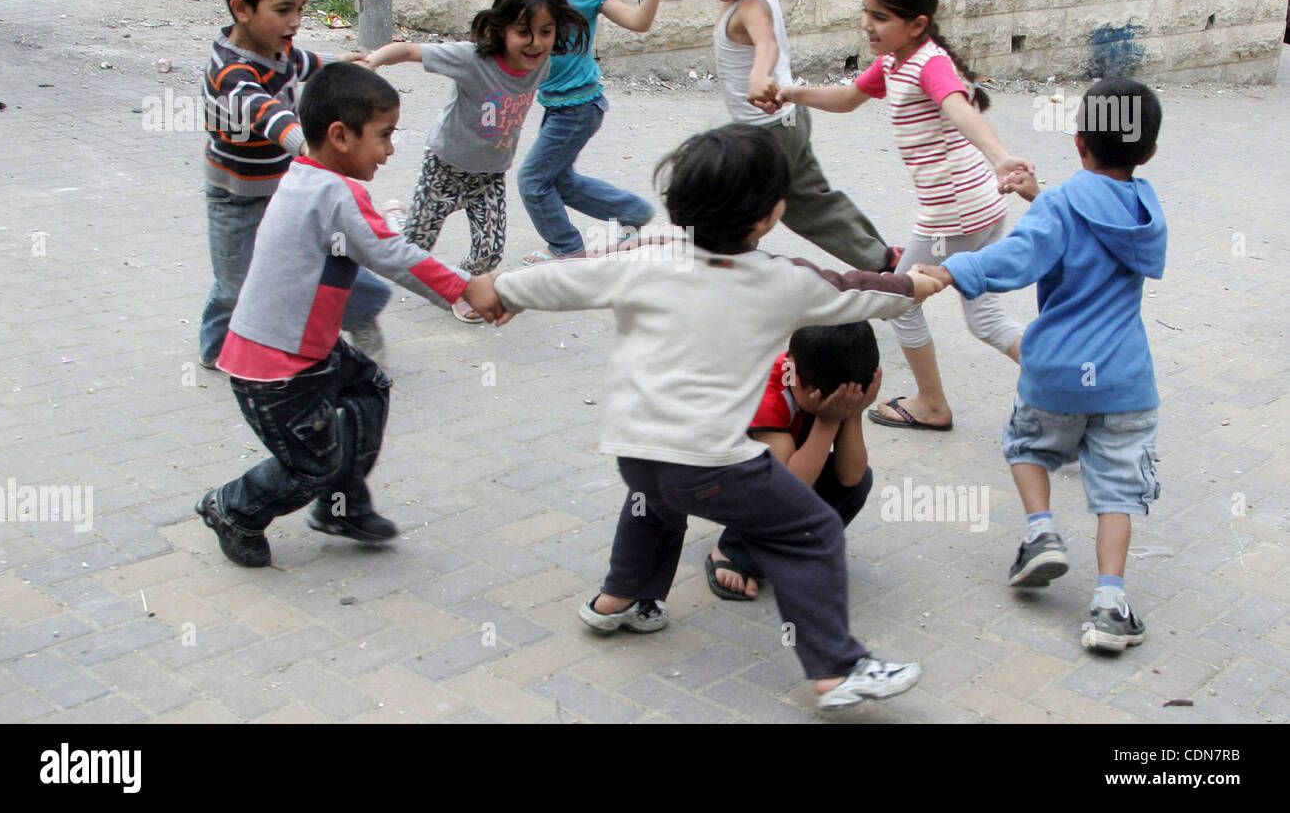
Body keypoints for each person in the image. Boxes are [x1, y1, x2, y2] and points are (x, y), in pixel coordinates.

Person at [469, 123, 945, 712]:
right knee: (810, 530)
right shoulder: (783, 279)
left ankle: (618, 600)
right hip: (716, 462)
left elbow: (568, 274)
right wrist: (914, 285)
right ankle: (836, 669)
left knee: (656, 509)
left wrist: (501, 289)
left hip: (637, 454)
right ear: (771, 215)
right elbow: (855, 290)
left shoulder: (646, 257)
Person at [194, 63, 502, 568]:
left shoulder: (306, 175)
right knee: (309, 466)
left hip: (304, 348)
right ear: (339, 136)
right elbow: (391, 255)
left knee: (368, 387)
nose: (390, 149)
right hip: (274, 367)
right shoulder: (337, 194)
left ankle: (343, 507)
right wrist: (465, 288)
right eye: (383, 136)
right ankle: (234, 506)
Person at [916, 78, 1166, 652]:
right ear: (1148, 152)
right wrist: (1040, 199)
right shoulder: (1146, 213)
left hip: (1055, 373)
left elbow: (1022, 254)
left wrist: (954, 270)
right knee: (1118, 493)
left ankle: (1042, 533)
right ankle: (1109, 604)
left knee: (1026, 448)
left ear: (1078, 142)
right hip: (1126, 383)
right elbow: (1092, 229)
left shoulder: (1060, 205)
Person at [767, 0, 1033, 431]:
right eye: (866, 12)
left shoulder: (929, 64)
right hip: (980, 208)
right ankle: (1066, 382)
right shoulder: (896, 62)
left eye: (881, 17)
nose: (868, 25)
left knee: (899, 302)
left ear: (917, 24)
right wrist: (791, 93)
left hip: (953, 214)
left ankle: (932, 404)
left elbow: (958, 107)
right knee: (985, 318)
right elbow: (848, 98)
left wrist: (1001, 155)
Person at [662, 0, 896, 274]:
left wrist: (758, 76)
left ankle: (723, 275)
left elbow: (766, 43)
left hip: (769, 132)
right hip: (786, 120)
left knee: (757, 208)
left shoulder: (751, 7)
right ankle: (883, 262)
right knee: (809, 200)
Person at [199, 0, 391, 367]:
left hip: (285, 188)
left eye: (301, 9)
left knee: (327, 258)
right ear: (241, 9)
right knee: (237, 285)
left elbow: (298, 62)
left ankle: (361, 310)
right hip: (236, 200)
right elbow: (265, 113)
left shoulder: (277, 47)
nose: (295, 22)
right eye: (284, 10)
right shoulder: (230, 72)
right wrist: (307, 146)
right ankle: (217, 348)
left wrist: (335, 63)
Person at [362, 0, 589, 321]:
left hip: (490, 176)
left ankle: (463, 288)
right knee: (410, 252)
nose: (535, 42)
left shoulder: (541, 66)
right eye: (523, 32)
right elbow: (409, 50)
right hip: (445, 167)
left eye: (546, 31)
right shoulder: (471, 59)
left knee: (490, 253)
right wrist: (372, 62)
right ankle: (394, 221)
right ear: (501, 29)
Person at [517, 0, 676, 264]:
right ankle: (634, 212)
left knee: (532, 181)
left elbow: (639, 21)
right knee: (560, 181)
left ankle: (565, 247)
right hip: (556, 104)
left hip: (579, 107)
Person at [708, 322, 882, 602]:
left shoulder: (827, 381)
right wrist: (828, 421)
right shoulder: (767, 394)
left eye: (849, 398)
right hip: (703, 474)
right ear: (793, 373)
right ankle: (732, 550)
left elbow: (851, 476)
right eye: (823, 401)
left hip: (777, 463)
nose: (836, 405)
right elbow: (785, 490)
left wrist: (852, 412)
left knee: (858, 481)